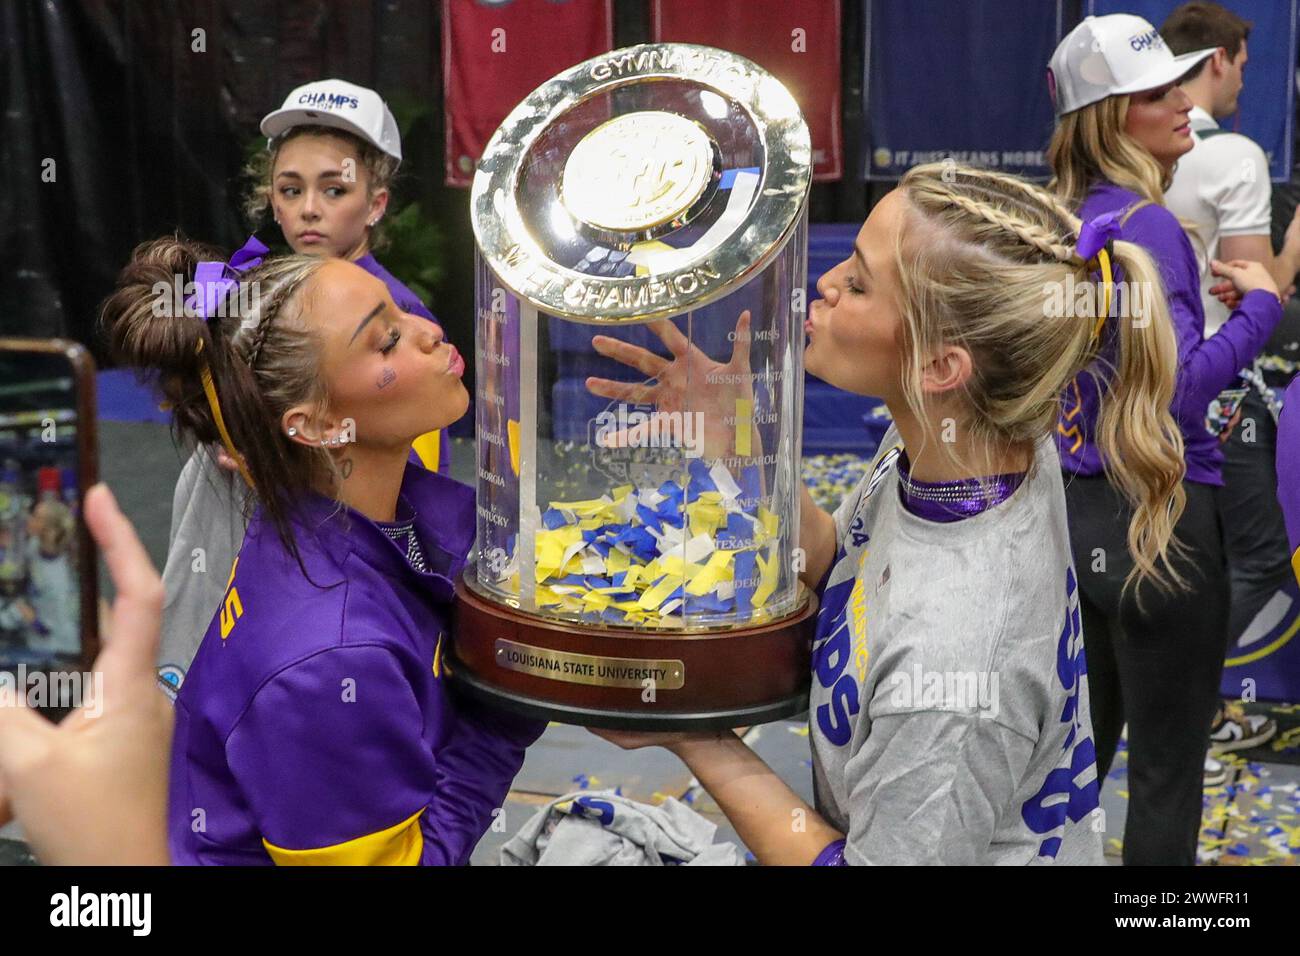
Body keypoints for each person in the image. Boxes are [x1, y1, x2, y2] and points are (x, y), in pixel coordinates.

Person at [587, 160, 1187, 864]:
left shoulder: (958, 671)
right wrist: (742, 446)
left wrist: (694, 732)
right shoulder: (966, 444)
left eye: (860, 283)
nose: (827, 285)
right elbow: (842, 566)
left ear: (940, 367)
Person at [102, 235, 541, 865]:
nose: (425, 332)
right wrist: (512, 700)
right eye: (385, 340)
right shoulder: (326, 659)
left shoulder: (376, 512)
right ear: (316, 425)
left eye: (399, 310)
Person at [1045, 13, 1283, 864]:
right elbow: (1176, 394)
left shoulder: (1067, 218)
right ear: (1111, 119)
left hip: (1081, 523)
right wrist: (1259, 308)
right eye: (1155, 93)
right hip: (1163, 525)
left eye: (1179, 82)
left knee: (1070, 783)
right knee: (1167, 787)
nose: (1185, 102)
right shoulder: (1147, 228)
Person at [159, 79, 450, 688]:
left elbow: (408, 484)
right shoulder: (248, 278)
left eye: (334, 189)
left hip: (333, 560)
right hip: (250, 546)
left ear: (375, 204)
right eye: (291, 190)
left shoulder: (403, 316)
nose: (309, 209)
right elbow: (176, 361)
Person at [1163, 1, 1292, 753]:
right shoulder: (1234, 156)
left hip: (1140, 390)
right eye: (1242, 63)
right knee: (1253, 555)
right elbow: (1256, 297)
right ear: (1217, 60)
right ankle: (1196, 703)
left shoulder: (1128, 162)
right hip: (1219, 388)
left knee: (1174, 549)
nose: (1245, 78)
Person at [0, 484, 172, 866]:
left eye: (34, 519)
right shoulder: (42, 556)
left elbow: (49, 622)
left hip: (51, 660)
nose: (26, 520)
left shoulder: (57, 579)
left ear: (44, 530)